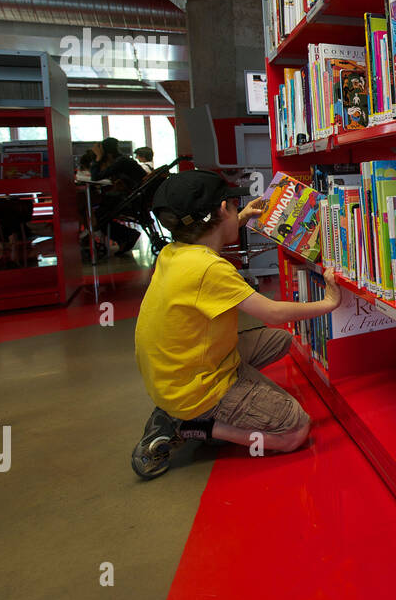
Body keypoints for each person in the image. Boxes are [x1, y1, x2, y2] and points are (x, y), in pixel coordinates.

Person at [130, 169, 342, 479]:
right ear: (220, 211)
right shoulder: (209, 269)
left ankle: (188, 407)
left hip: (172, 372)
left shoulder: (174, 252)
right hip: (193, 387)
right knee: (295, 430)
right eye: (232, 204)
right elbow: (271, 312)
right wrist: (329, 303)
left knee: (280, 340)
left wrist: (241, 216)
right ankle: (190, 425)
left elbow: (208, 239)